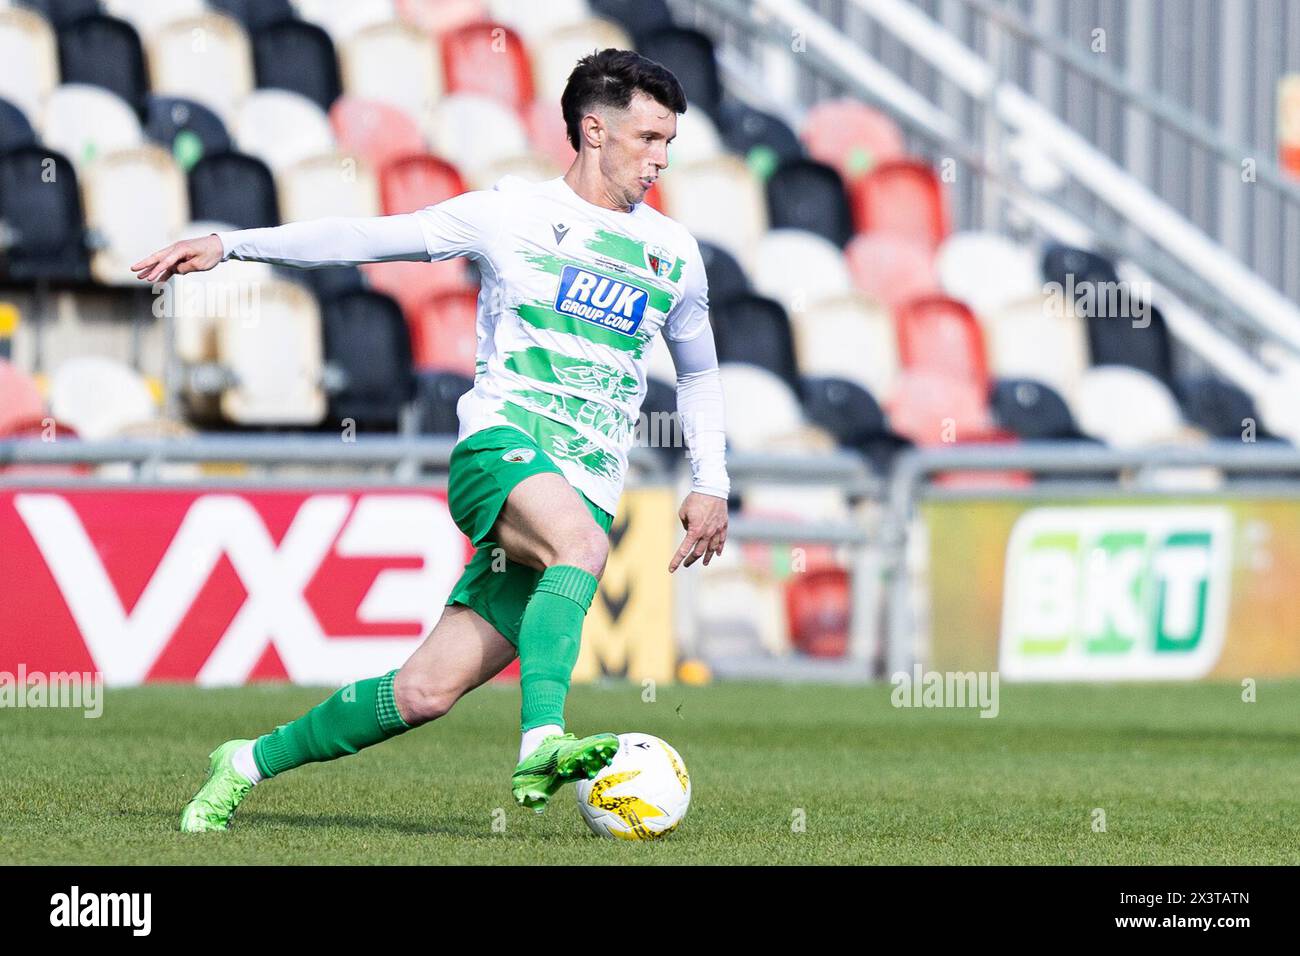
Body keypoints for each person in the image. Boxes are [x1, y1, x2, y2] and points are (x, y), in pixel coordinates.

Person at [132, 49, 729, 831]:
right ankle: (542, 740)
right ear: (593, 129)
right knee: (583, 547)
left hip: (582, 484)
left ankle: (244, 761)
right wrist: (232, 244)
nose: (660, 158)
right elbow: (365, 236)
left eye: (668, 143)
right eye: (648, 138)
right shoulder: (510, 214)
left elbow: (700, 376)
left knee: (423, 692)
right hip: (501, 448)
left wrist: (711, 481)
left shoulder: (675, 255)